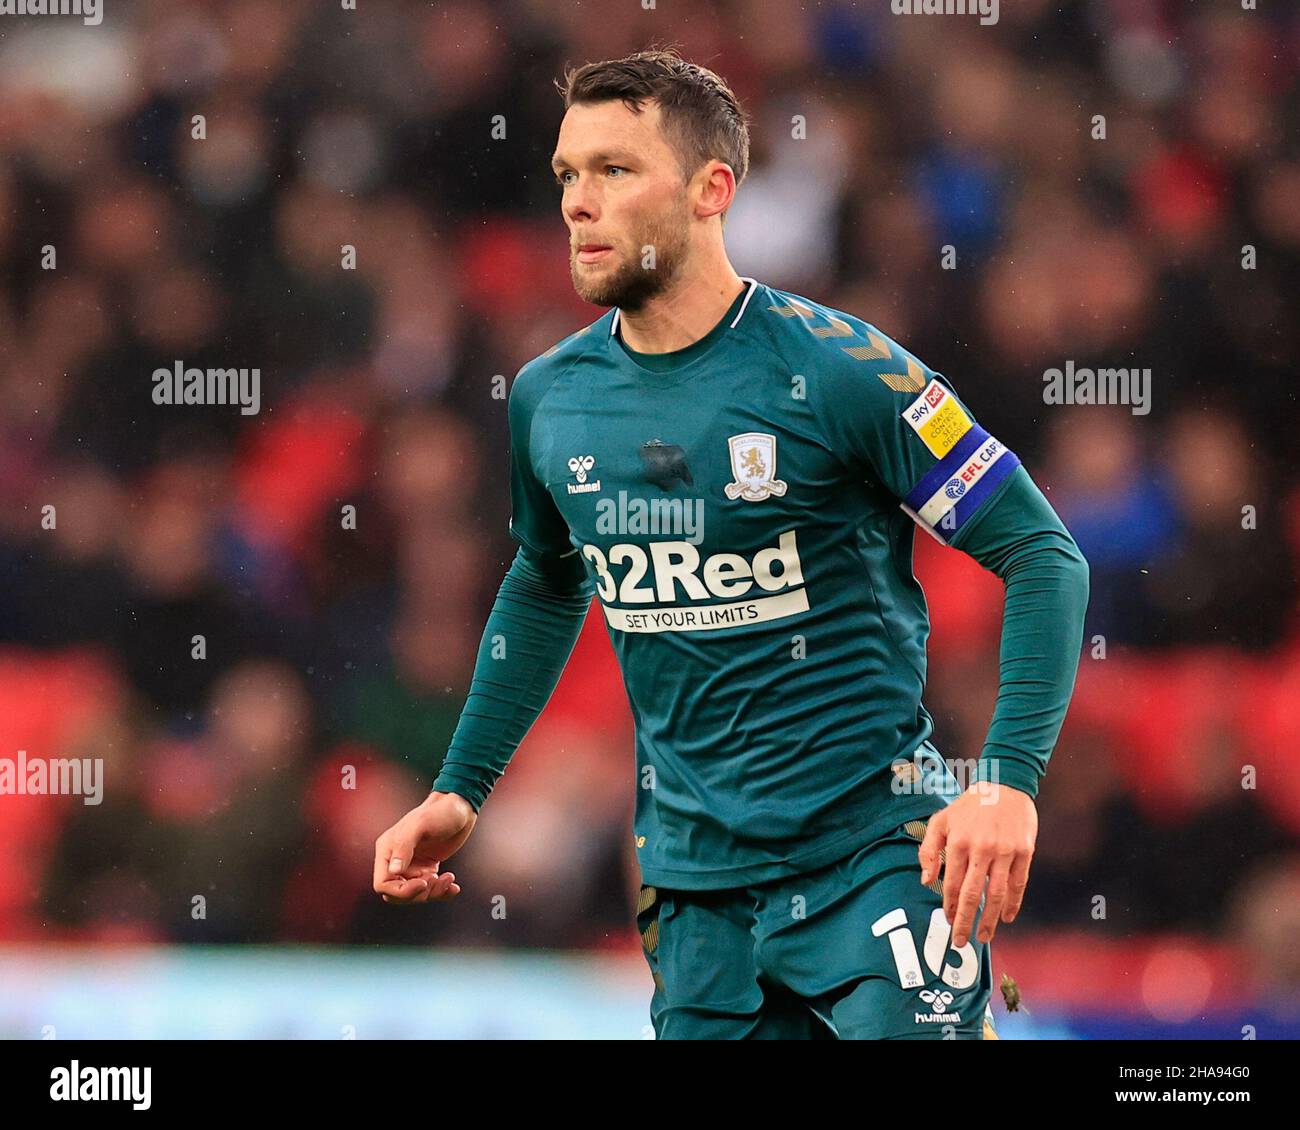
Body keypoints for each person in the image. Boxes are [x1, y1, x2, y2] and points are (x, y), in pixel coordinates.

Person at [372, 47, 1089, 1040]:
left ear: (713, 189)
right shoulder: (548, 397)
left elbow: (1043, 553)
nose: (578, 202)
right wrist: (462, 786)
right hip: (693, 894)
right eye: (567, 175)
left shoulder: (842, 373)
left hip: (881, 852)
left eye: (614, 170)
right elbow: (545, 579)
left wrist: (1007, 780)